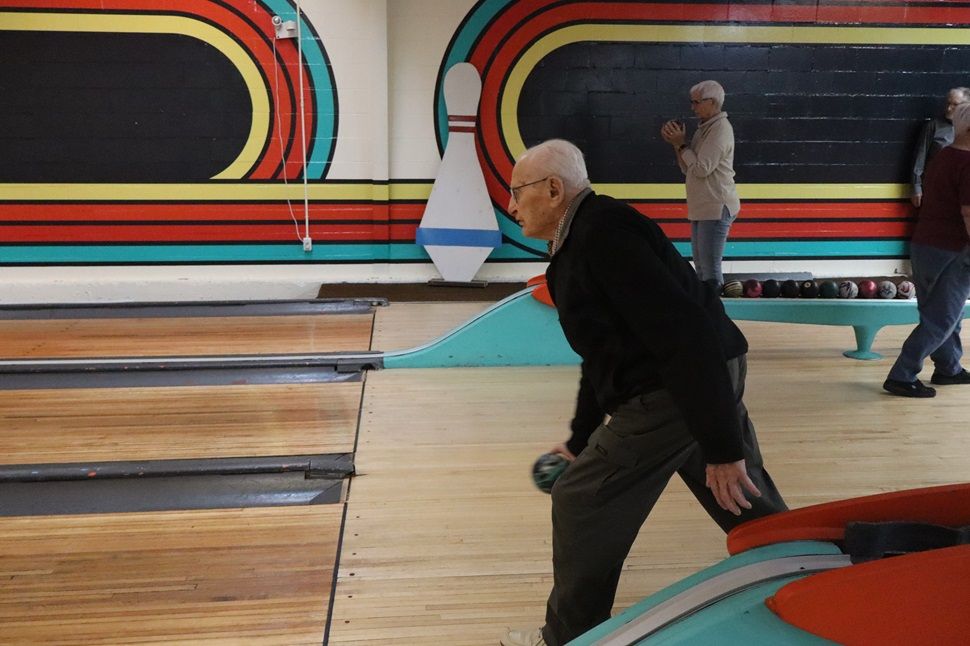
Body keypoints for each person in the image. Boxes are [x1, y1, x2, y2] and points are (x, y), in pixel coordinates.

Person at [500, 139, 787, 646]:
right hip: (697, 377)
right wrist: (580, 437)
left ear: (552, 189)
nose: (510, 204)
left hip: (679, 383)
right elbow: (603, 355)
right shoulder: (579, 241)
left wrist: (721, 444)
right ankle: (808, 576)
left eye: (516, 191)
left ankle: (568, 637)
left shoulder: (604, 235)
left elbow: (684, 332)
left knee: (579, 500)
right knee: (739, 496)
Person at [884, 102, 970, 398]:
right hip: (954, 249)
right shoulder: (969, 163)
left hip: (925, 245)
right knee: (942, 318)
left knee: (944, 312)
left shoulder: (944, 155)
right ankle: (902, 375)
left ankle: (948, 367)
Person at [660, 80, 739, 288]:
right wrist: (677, 145)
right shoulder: (703, 129)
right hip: (703, 206)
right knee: (701, 268)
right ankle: (708, 314)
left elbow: (702, 168)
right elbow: (687, 168)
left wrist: (681, 144)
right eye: (692, 102)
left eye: (696, 102)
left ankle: (717, 316)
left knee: (710, 270)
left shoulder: (720, 130)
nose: (692, 107)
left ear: (712, 102)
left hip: (716, 205)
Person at [911, 87, 970, 208]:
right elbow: (920, 157)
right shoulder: (934, 126)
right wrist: (916, 187)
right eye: (948, 103)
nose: (949, 108)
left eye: (955, 105)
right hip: (938, 188)